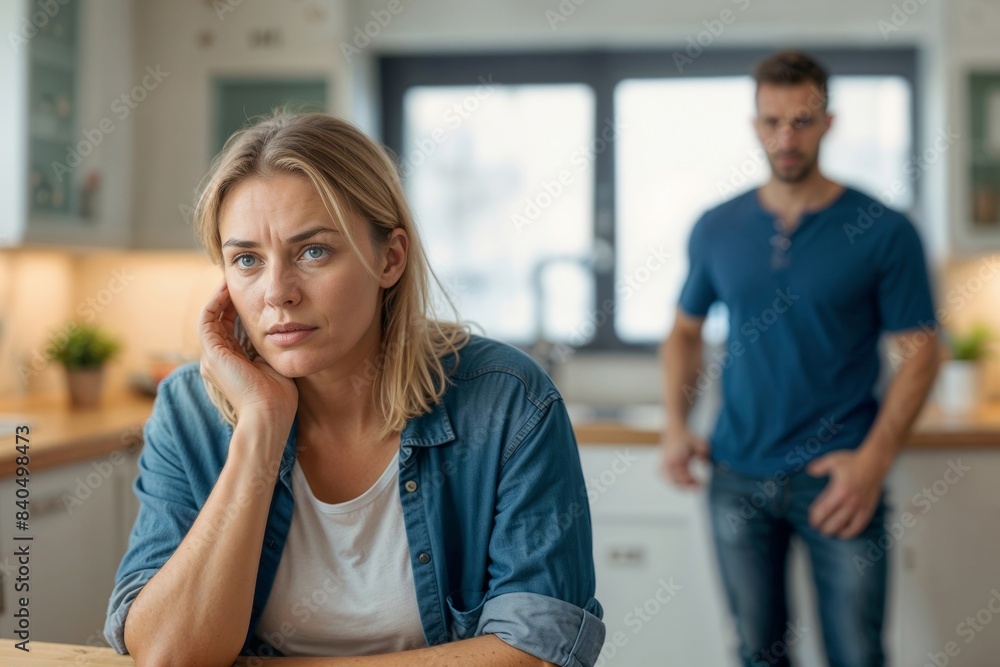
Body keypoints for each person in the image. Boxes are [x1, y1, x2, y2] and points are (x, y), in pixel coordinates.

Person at [103, 112, 605, 666]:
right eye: (246, 259)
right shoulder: (188, 410)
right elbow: (169, 655)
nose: (277, 293)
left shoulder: (507, 402)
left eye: (313, 251)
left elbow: (537, 651)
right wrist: (261, 430)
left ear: (390, 258)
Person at [659, 51, 940, 667]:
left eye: (802, 121)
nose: (786, 138)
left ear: (828, 122)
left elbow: (921, 353)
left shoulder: (882, 229)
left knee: (858, 654)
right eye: (772, 122)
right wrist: (677, 427)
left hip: (840, 478)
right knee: (759, 653)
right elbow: (684, 332)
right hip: (735, 475)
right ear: (755, 125)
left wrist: (873, 463)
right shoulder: (717, 227)